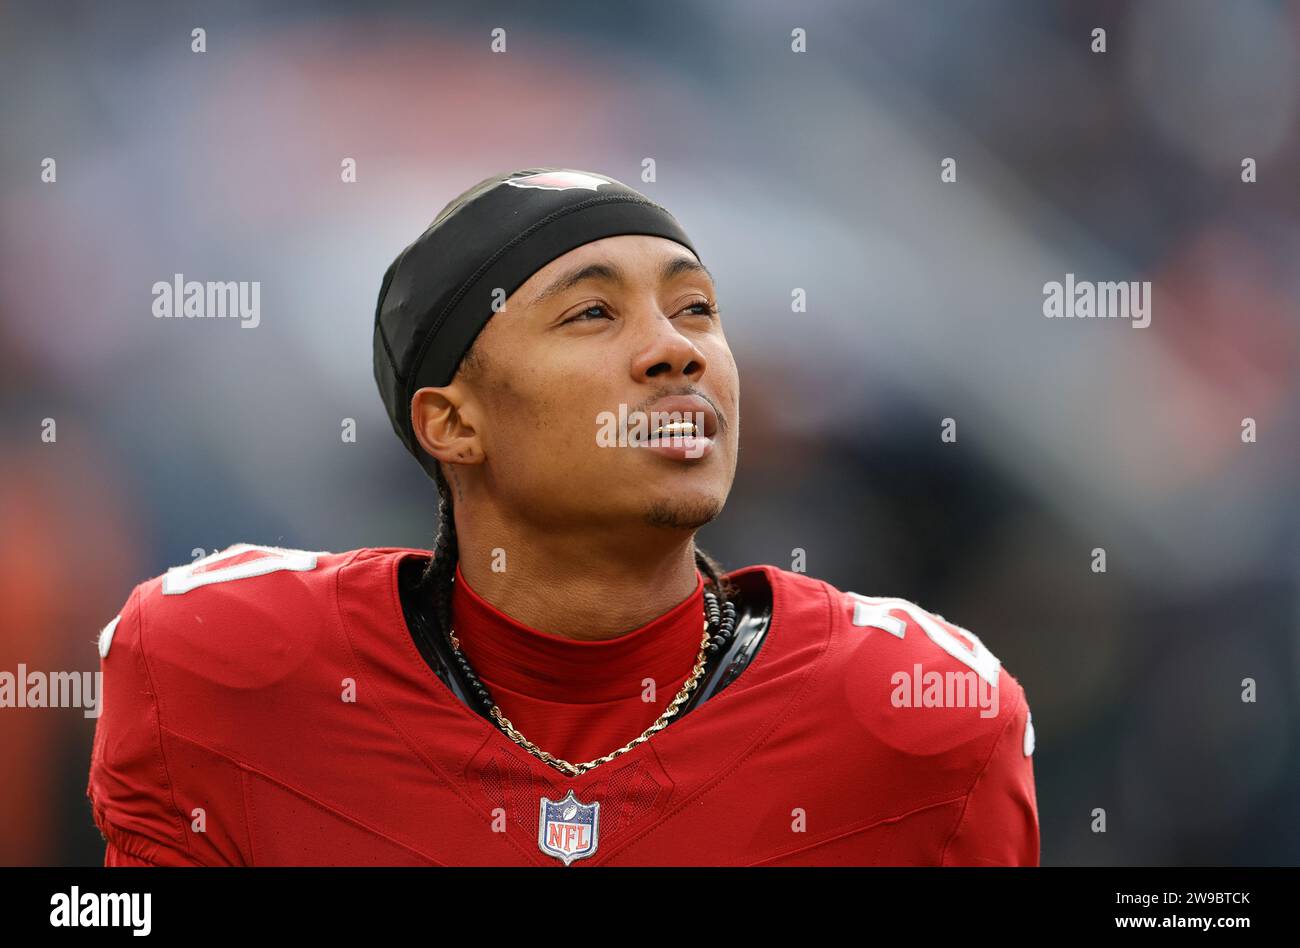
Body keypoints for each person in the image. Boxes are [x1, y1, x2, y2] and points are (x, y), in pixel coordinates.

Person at [87, 167, 1039, 866]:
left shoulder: (916, 710)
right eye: (591, 314)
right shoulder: (219, 664)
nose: (678, 351)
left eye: (697, 309)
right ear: (453, 423)